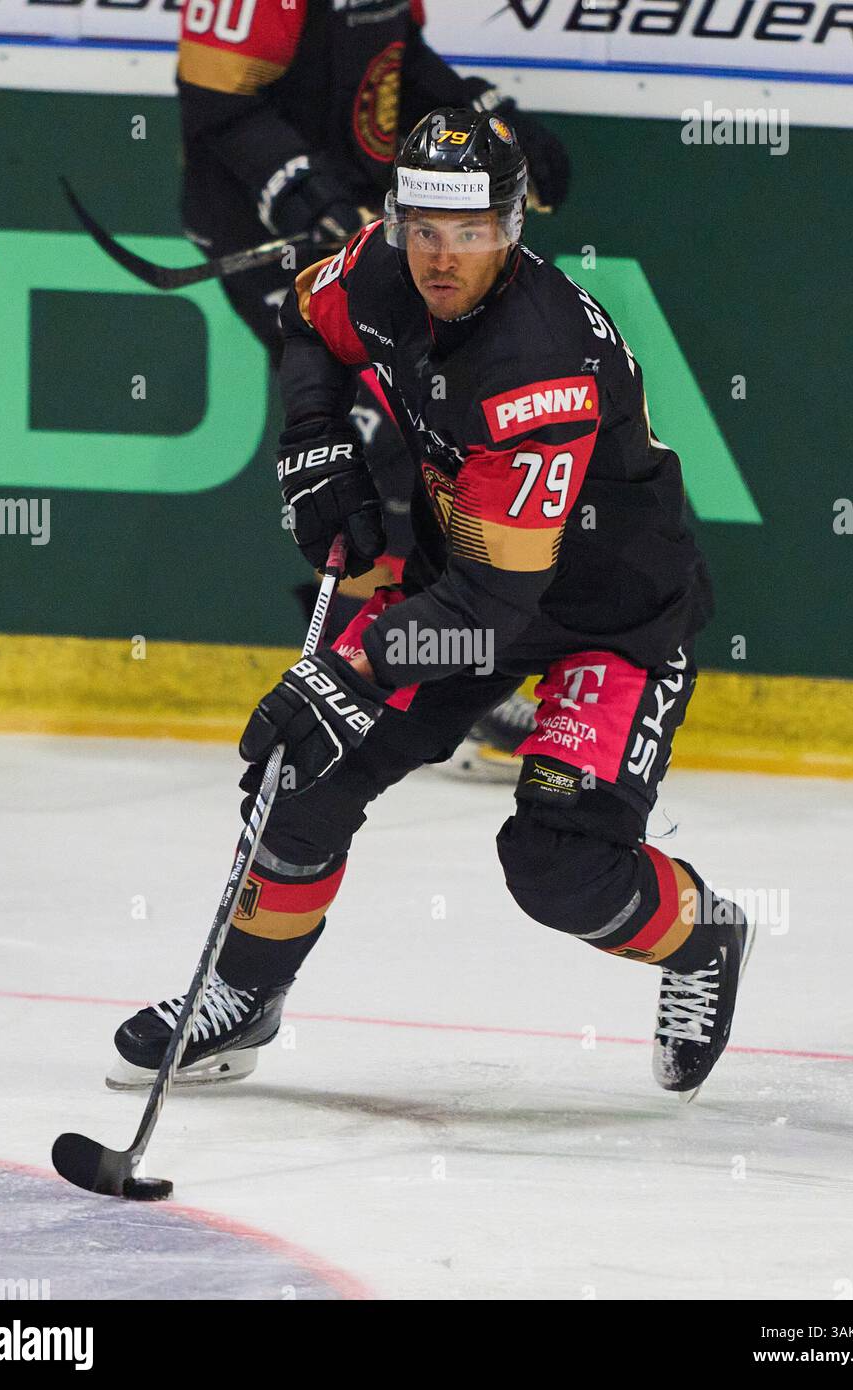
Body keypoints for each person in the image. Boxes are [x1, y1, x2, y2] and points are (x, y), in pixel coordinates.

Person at [110, 109, 753, 1100]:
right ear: (401, 217)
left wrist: (351, 668)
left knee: (558, 864)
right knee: (302, 775)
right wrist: (317, 438)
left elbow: (491, 610)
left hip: (607, 620)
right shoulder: (383, 265)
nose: (442, 257)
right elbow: (302, 318)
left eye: (471, 232)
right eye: (424, 227)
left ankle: (700, 935)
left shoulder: (538, 369)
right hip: (465, 583)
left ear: (512, 226)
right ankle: (242, 1001)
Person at [177, 0, 569, 688]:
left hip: (356, 221)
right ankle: (350, 681)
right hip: (265, 240)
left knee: (422, 447)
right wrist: (306, 193)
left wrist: (488, 119)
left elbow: (398, 63)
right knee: (390, 445)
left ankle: (380, 674)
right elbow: (216, 103)